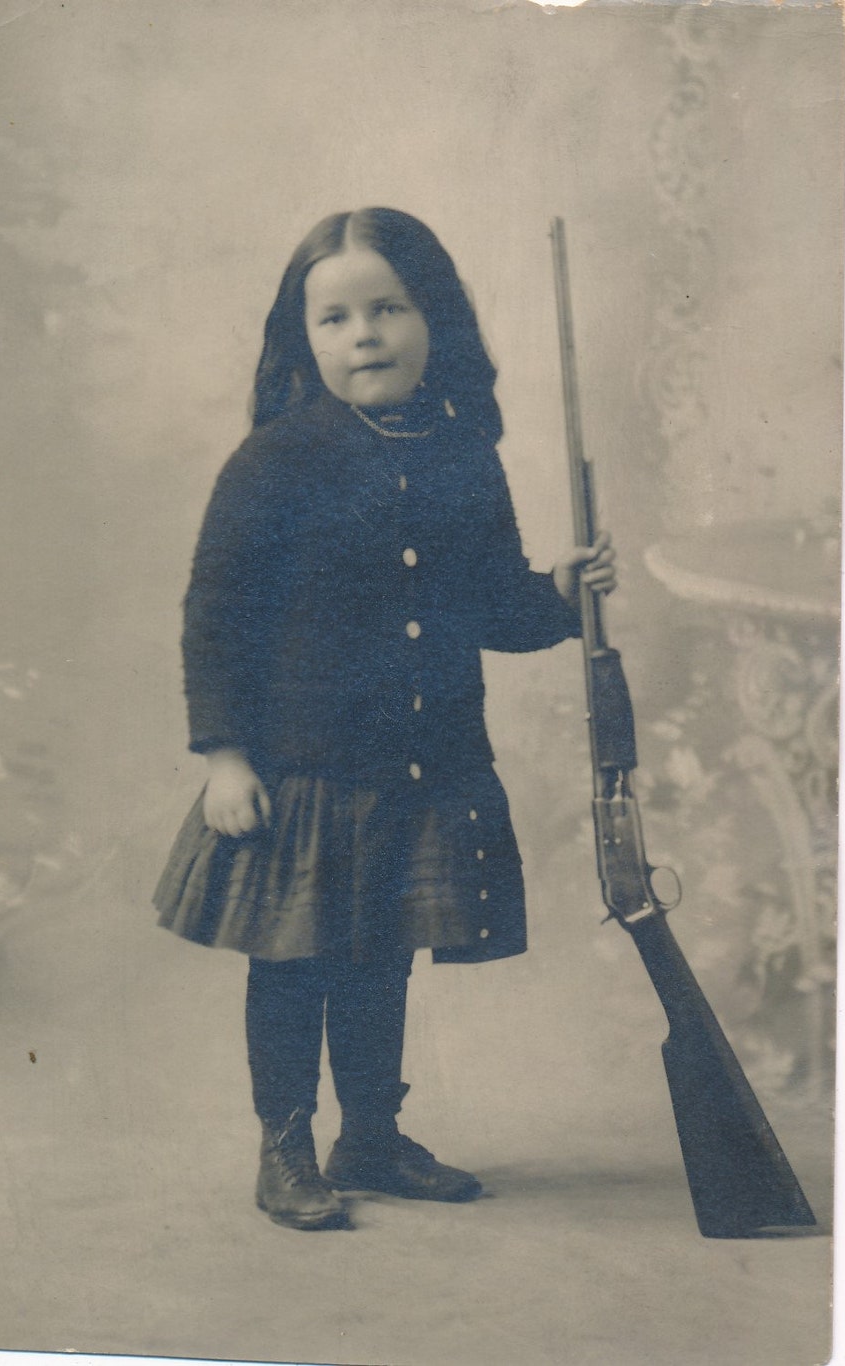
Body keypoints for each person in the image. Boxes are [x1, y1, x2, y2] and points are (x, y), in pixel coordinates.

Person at [154, 207, 616, 1231]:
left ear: (434, 321)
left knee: (379, 960)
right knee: (294, 967)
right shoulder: (275, 461)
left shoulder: (464, 455)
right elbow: (214, 616)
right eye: (333, 318)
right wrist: (225, 756)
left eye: (388, 308)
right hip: (303, 773)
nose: (362, 334)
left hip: (421, 767)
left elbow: (493, 601)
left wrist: (560, 589)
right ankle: (286, 1148)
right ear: (302, 337)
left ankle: (369, 1134)